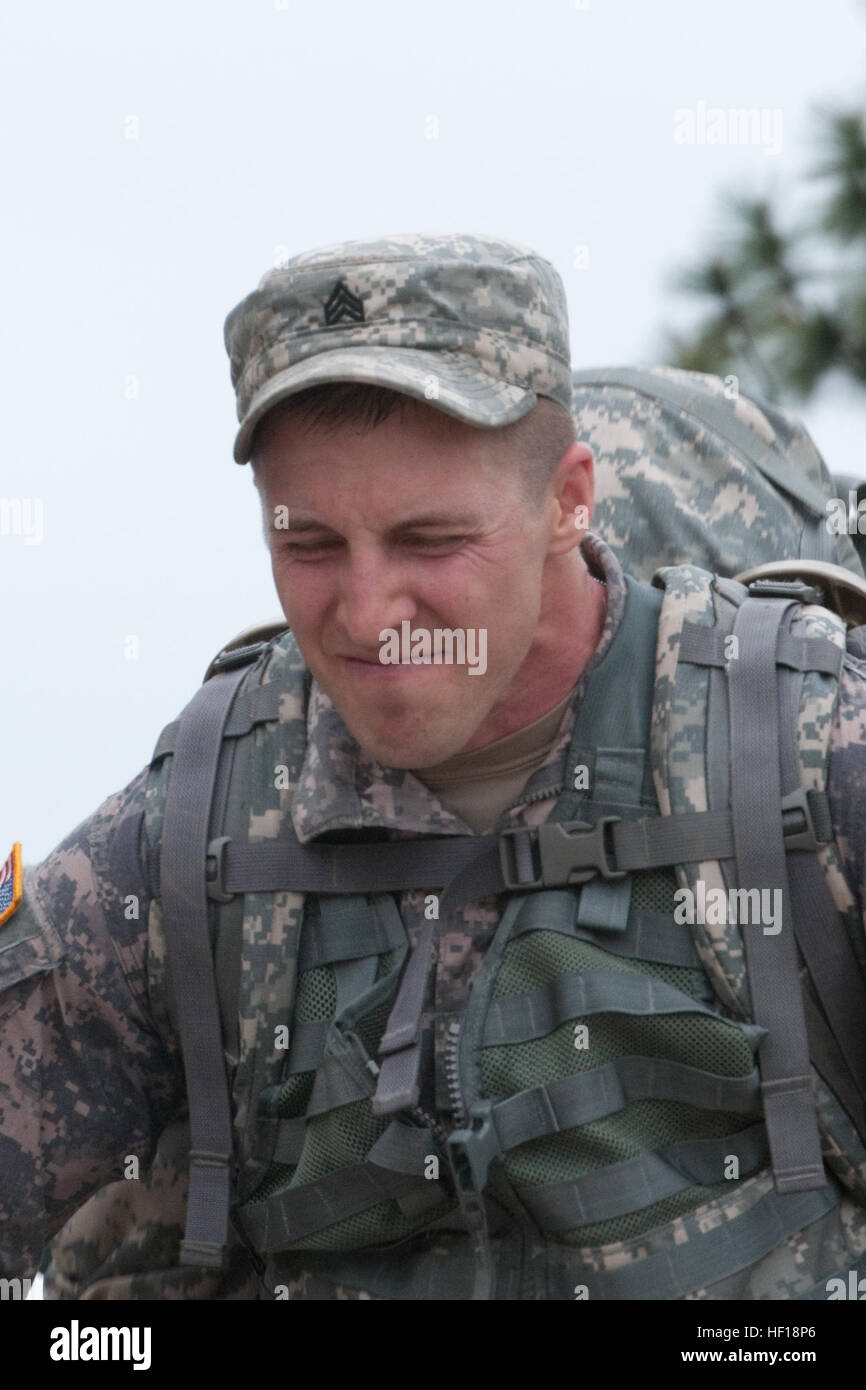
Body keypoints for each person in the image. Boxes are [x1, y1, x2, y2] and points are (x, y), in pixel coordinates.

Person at [2, 232, 865, 1301]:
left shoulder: (807, 755)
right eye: (310, 545)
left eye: (429, 541)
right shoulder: (193, 829)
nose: (368, 617)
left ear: (568, 500)